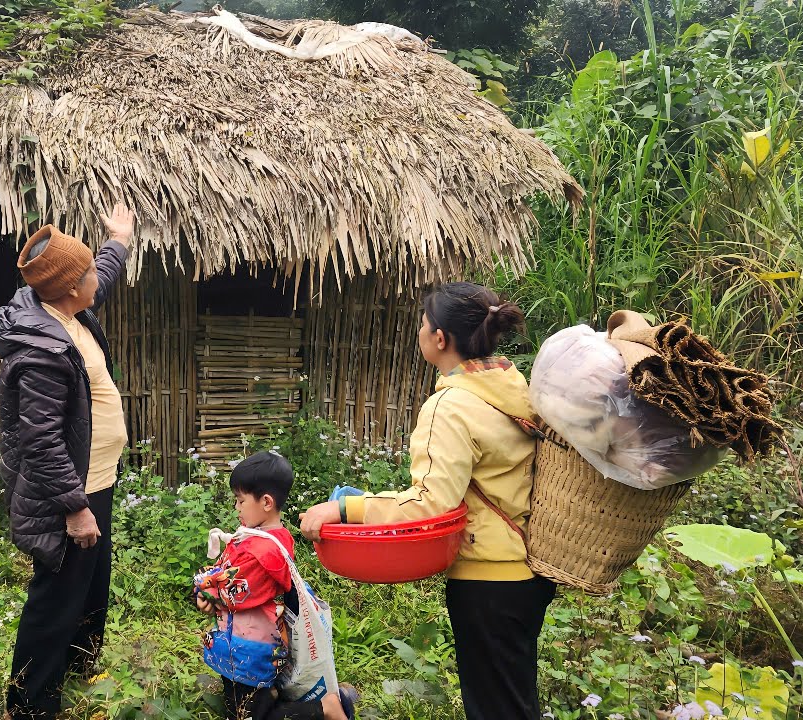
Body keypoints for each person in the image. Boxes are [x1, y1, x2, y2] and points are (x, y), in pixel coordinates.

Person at [298, 282, 556, 720]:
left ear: (440, 339)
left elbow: (429, 506)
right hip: (526, 575)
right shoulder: (511, 384)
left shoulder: (451, 407)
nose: (418, 331)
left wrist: (344, 509)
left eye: (423, 323)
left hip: (487, 579)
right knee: (513, 702)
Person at [0, 204, 135, 720]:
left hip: (98, 480)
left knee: (91, 586)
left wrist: (119, 239)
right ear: (73, 288)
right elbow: (41, 440)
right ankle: (29, 705)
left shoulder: (61, 307)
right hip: (70, 491)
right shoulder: (42, 351)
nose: (100, 275)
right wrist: (75, 508)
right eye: (92, 270)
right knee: (56, 597)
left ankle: (77, 673)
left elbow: (102, 274)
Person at [194, 451, 355, 720]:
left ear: (266, 502)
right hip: (242, 642)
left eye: (241, 500)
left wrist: (205, 590)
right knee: (238, 700)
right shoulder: (256, 537)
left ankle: (326, 709)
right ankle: (271, 698)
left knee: (250, 715)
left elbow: (234, 592)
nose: (237, 507)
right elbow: (224, 571)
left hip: (252, 648)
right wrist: (210, 586)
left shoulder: (264, 551)